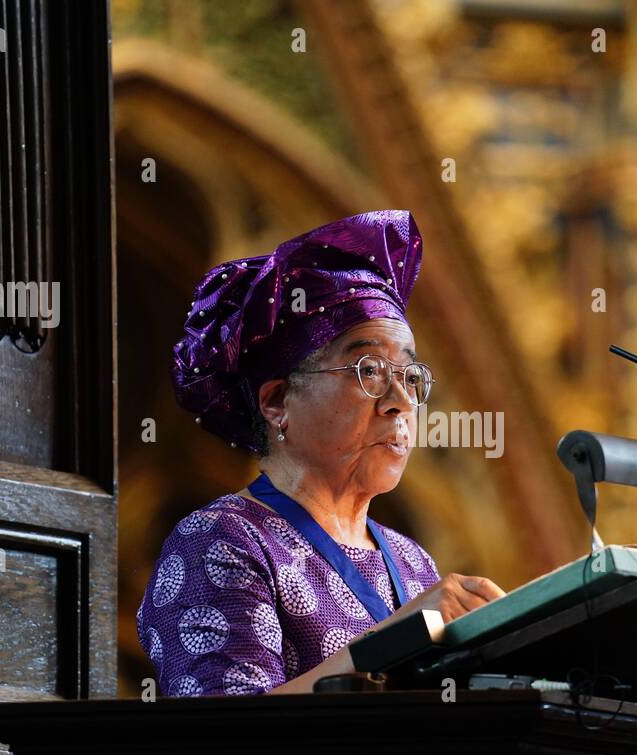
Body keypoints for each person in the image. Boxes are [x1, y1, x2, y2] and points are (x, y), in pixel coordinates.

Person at [137, 210, 506, 696]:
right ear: (277, 402)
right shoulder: (222, 540)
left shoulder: (412, 561)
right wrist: (396, 639)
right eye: (369, 370)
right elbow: (223, 741)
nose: (399, 401)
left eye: (411, 377)